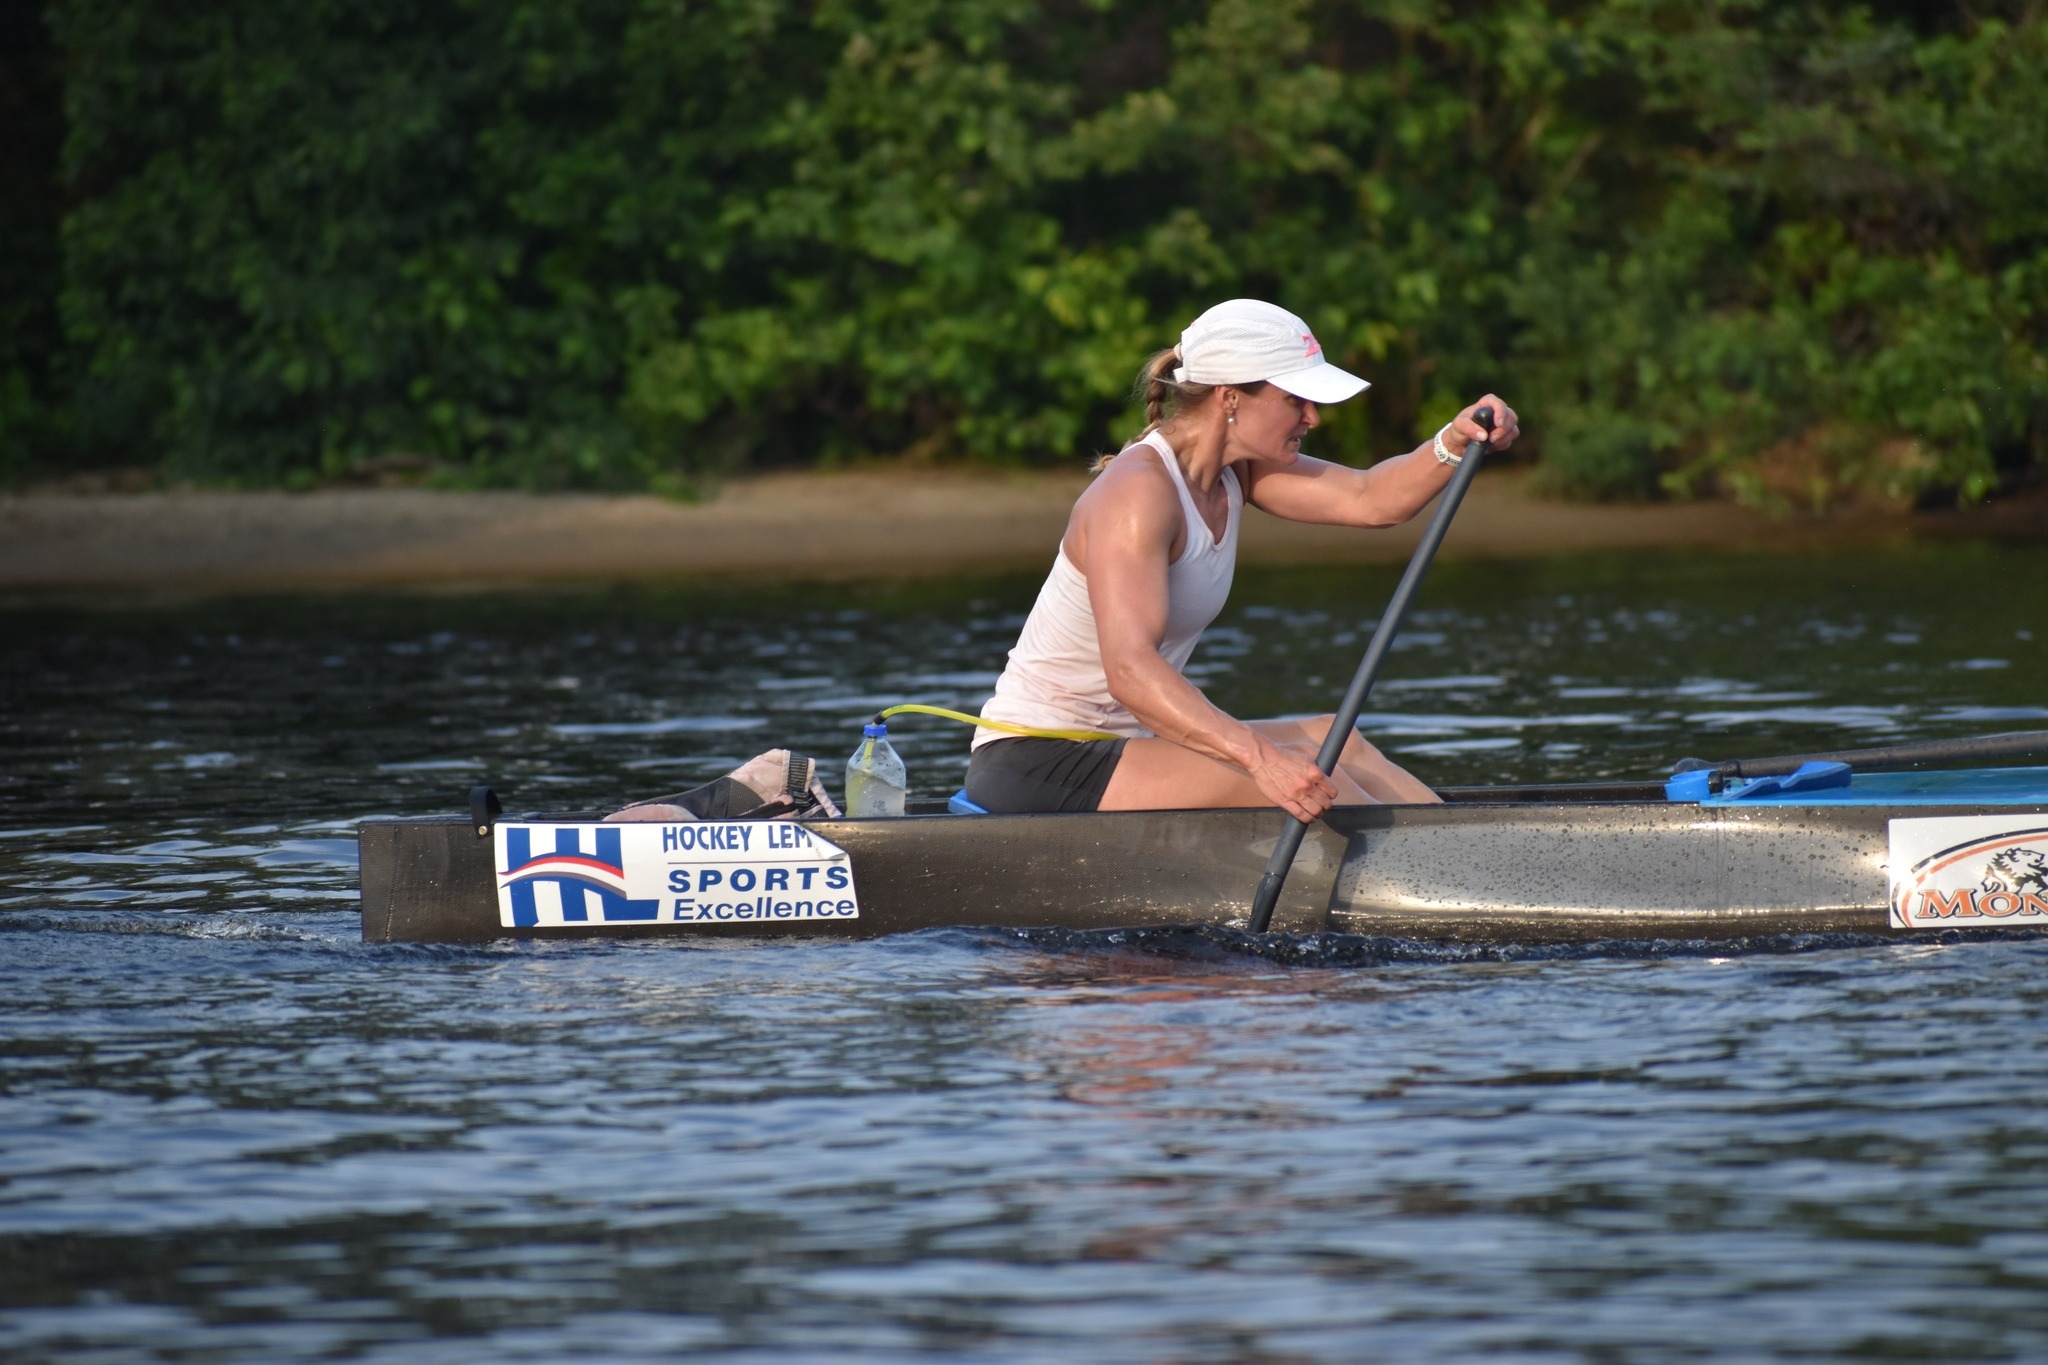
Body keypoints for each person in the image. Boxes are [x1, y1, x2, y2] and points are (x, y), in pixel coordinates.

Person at [965, 298, 1520, 821]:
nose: (1312, 418)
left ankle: (1469, 854)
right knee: (1315, 776)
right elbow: (1130, 672)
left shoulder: (1236, 471)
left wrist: (1454, 440)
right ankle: (1442, 871)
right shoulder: (1138, 494)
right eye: (1295, 399)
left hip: (1126, 745)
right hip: (1038, 761)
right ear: (1230, 398)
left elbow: (1371, 499)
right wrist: (1261, 760)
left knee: (1339, 741)